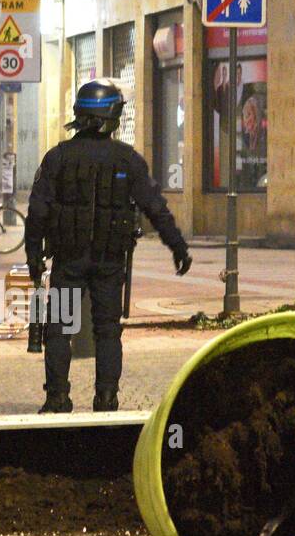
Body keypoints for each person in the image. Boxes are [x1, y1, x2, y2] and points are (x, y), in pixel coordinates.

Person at [25, 78, 192, 413]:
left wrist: (33, 257)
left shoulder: (57, 157)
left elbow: (37, 211)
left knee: (59, 329)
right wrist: (178, 248)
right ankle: (106, 398)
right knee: (107, 332)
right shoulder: (127, 160)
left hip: (67, 260)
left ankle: (57, 397)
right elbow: (154, 207)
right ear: (112, 118)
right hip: (109, 262)